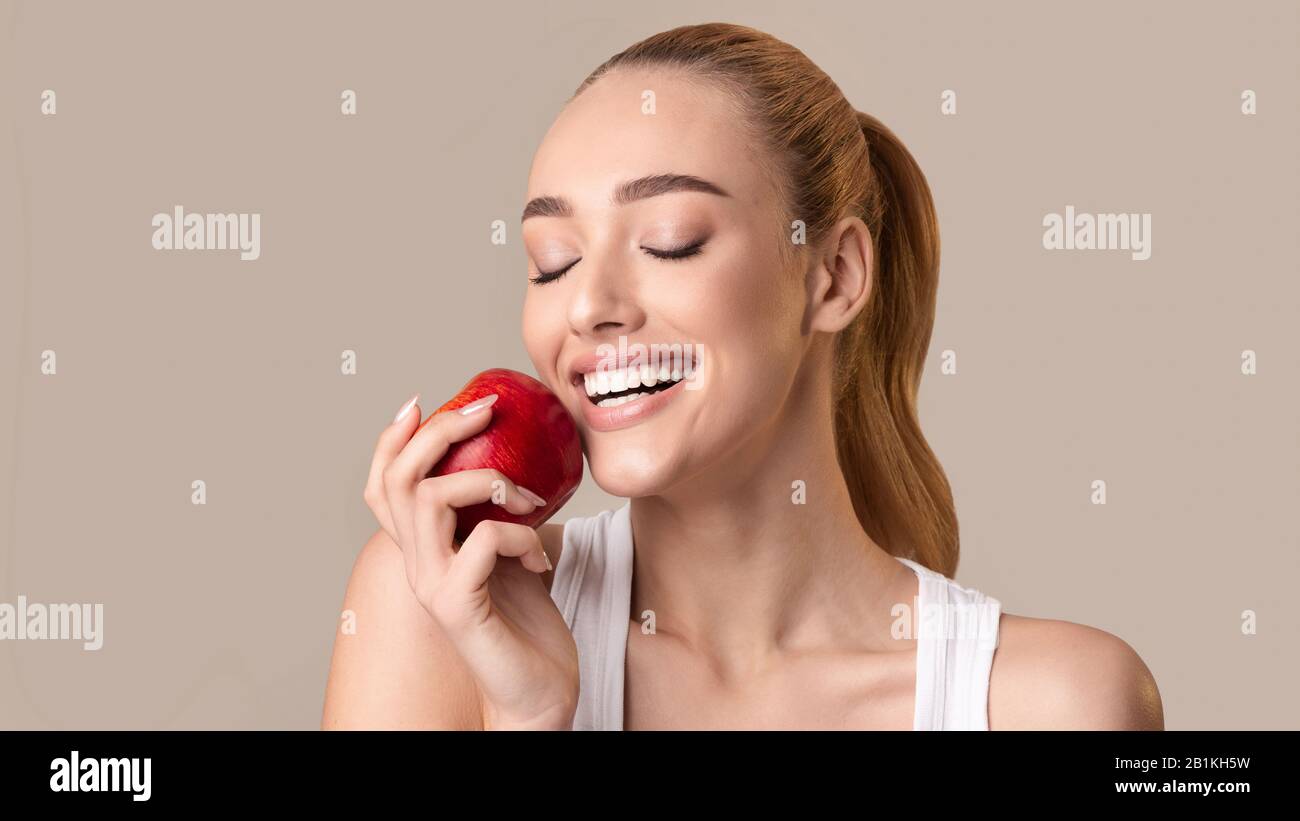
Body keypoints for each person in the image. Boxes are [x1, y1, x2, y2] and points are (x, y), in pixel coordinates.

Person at [322, 22, 1164, 730]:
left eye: (670, 241)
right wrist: (533, 716)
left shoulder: (1057, 703)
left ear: (833, 276)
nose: (588, 306)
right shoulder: (438, 611)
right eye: (552, 262)